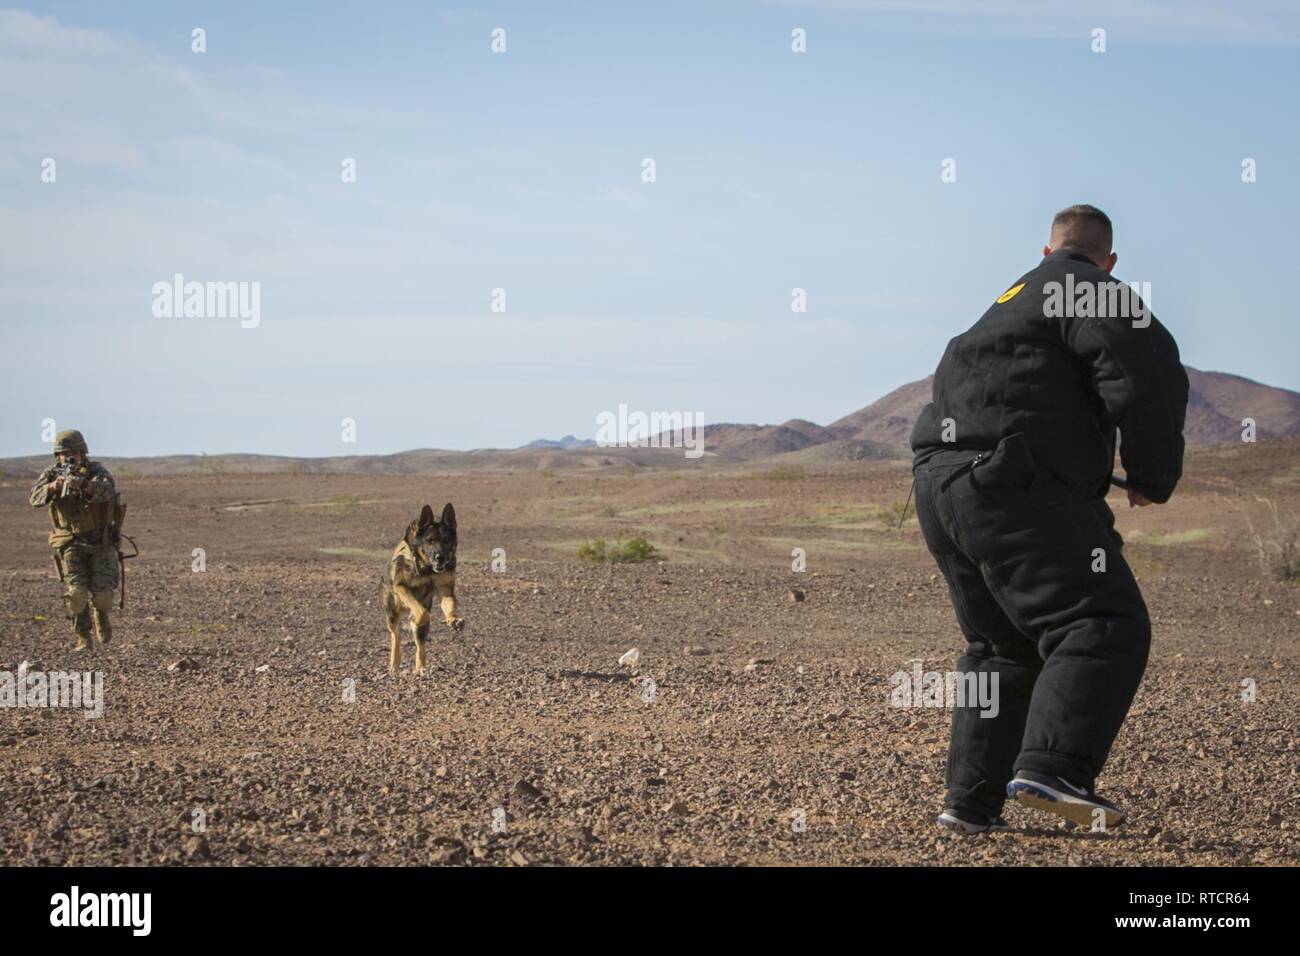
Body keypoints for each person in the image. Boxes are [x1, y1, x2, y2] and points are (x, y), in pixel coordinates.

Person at [909, 205, 1189, 832]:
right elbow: (1148, 372)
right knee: (1101, 622)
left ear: (1046, 250)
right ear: (1109, 262)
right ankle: (1053, 769)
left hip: (938, 486)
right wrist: (1151, 476)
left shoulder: (1007, 304)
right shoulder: (1090, 289)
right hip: (1009, 481)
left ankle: (970, 805)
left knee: (1002, 646)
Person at [30, 429, 122, 651]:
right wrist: (53, 487)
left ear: (82, 452)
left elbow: (108, 490)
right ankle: (83, 637)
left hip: (100, 542)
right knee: (76, 594)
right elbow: (34, 498)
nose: (67, 457)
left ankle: (100, 614)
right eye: (62, 453)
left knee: (102, 596)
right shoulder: (52, 474)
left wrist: (85, 485)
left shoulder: (95, 471)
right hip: (70, 542)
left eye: (72, 453)